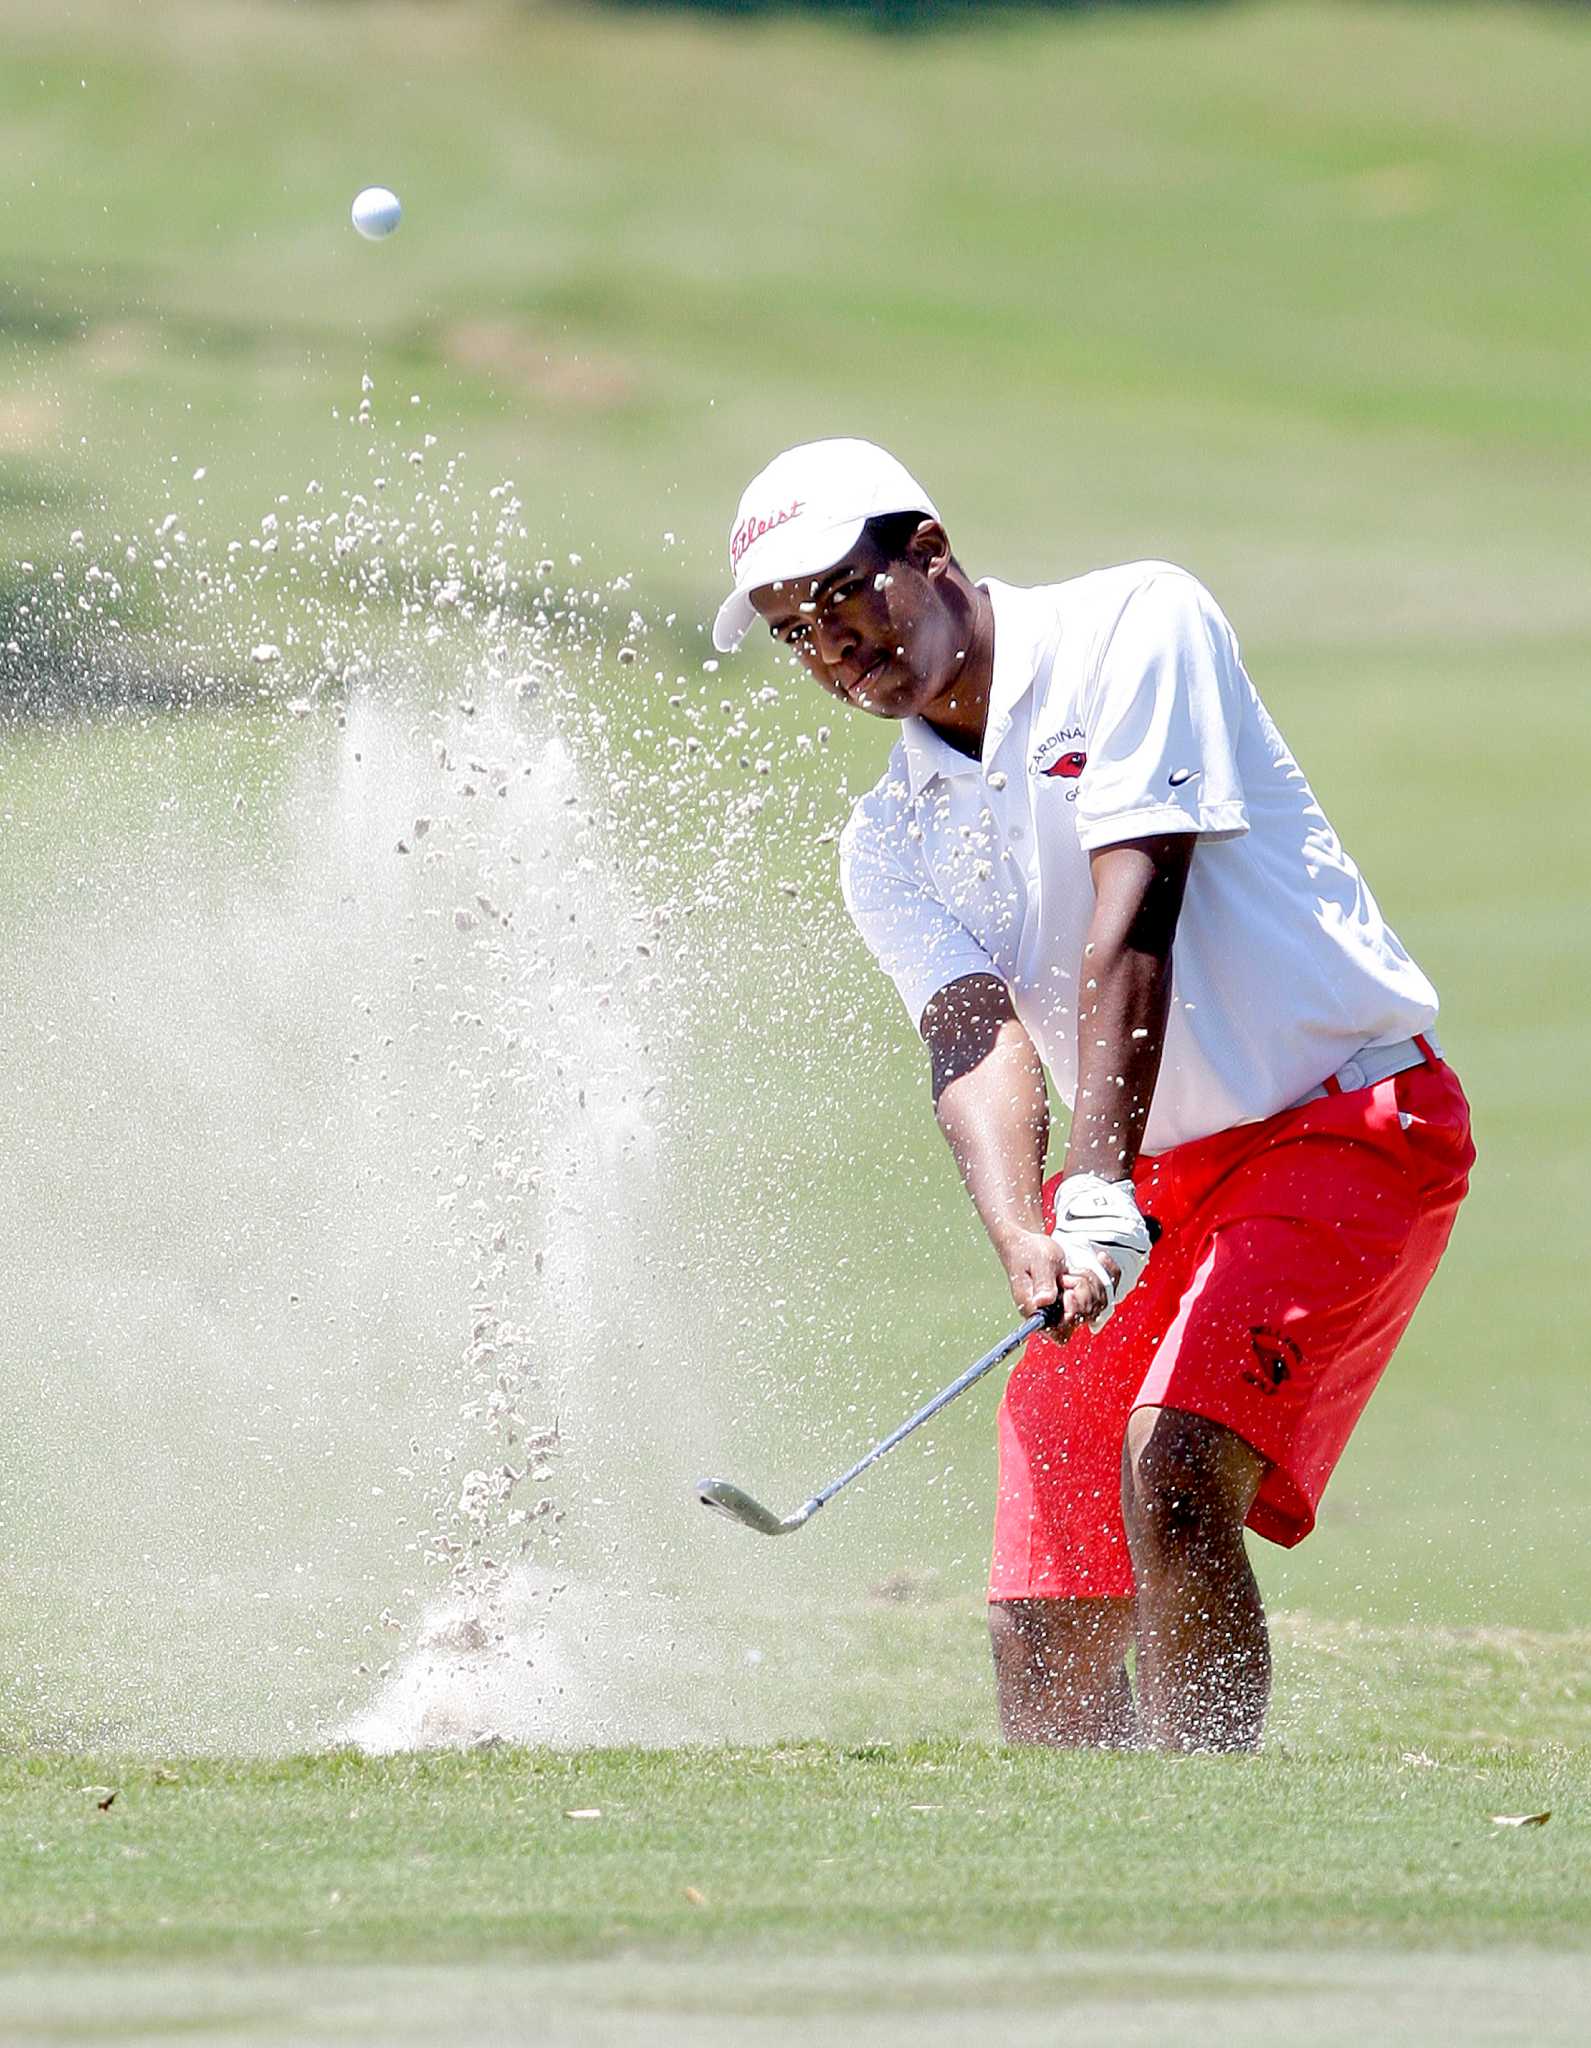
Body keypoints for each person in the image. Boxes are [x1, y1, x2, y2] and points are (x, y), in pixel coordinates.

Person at [711, 438, 1474, 1752]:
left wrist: (1097, 1183)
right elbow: (974, 1038)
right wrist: (1026, 1228)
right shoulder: (886, 842)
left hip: (1342, 1122)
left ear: (929, 551)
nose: (835, 646)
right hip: (1151, 1183)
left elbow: (1140, 903)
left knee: (1174, 1469)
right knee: (1043, 1612)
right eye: (797, 632)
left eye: (847, 596)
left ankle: (1208, 1846)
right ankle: (1099, 1904)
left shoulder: (1136, 622)